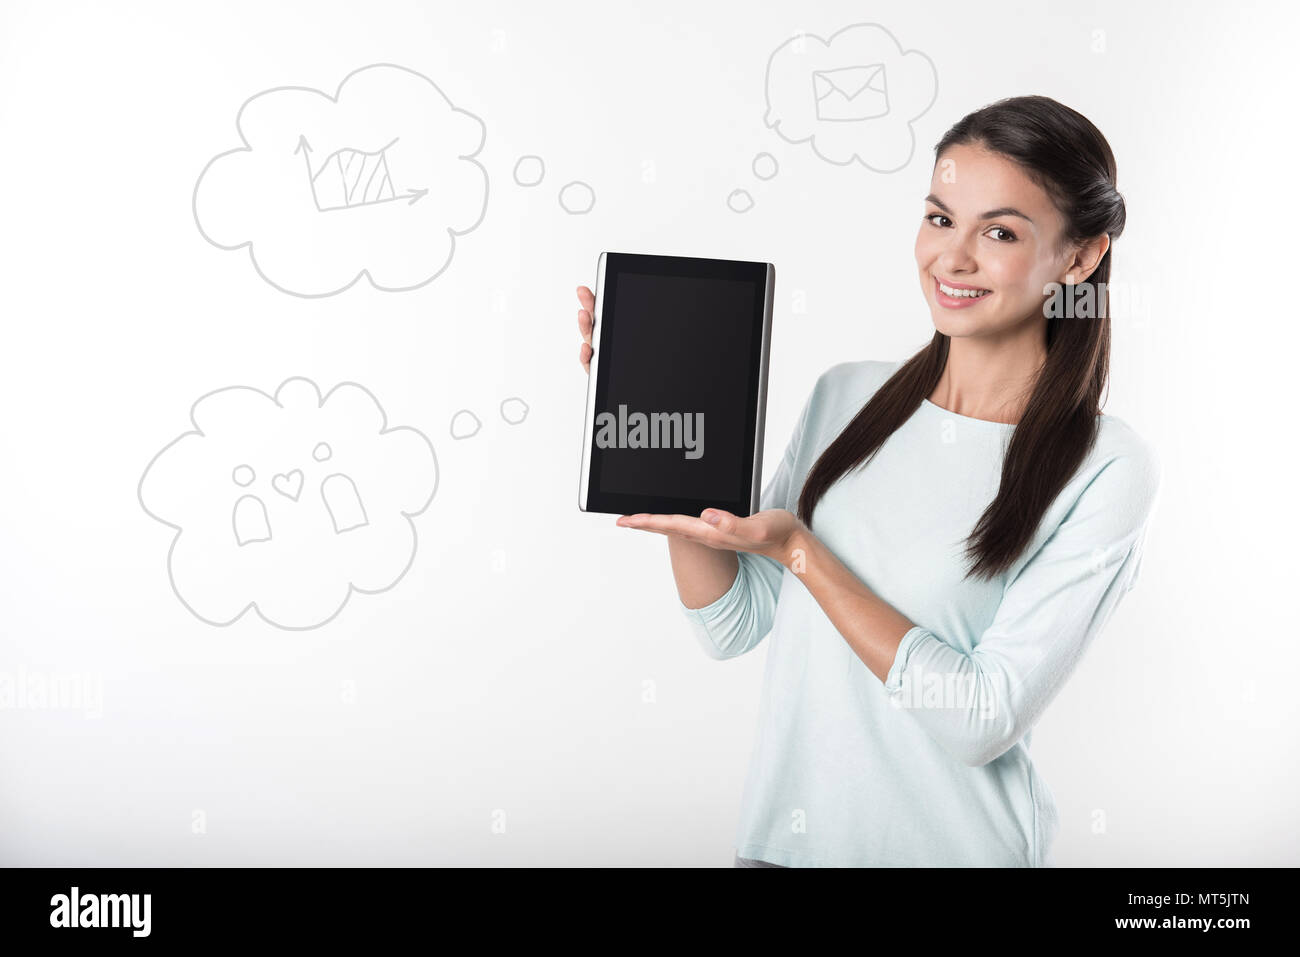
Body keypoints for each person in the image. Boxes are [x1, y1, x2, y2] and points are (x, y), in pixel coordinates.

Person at [574, 95, 1161, 867]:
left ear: (1080, 258)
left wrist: (805, 556)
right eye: (940, 217)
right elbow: (732, 624)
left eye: (1001, 232)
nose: (952, 258)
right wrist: (667, 446)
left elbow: (982, 716)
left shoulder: (1105, 465)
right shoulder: (846, 397)